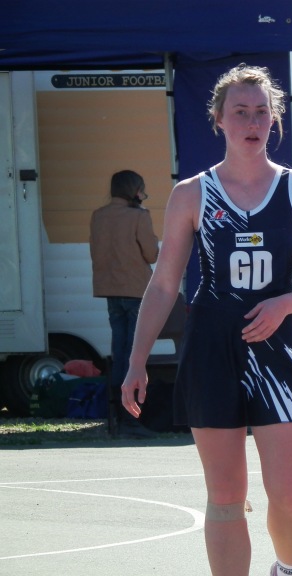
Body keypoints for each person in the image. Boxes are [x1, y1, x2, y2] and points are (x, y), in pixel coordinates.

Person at [121, 64, 292, 576]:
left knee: (287, 496)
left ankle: (288, 568)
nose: (252, 120)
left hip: (278, 351)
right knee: (224, 496)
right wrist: (136, 361)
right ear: (218, 119)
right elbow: (164, 284)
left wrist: (285, 303)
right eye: (240, 111)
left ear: (274, 119)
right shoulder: (191, 194)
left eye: (261, 111)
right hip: (213, 349)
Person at [89, 169, 159, 434]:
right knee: (135, 356)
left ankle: (117, 415)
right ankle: (132, 418)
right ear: (135, 190)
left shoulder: (98, 216)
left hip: (110, 291)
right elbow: (151, 254)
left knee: (120, 352)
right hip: (137, 292)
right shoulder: (139, 216)